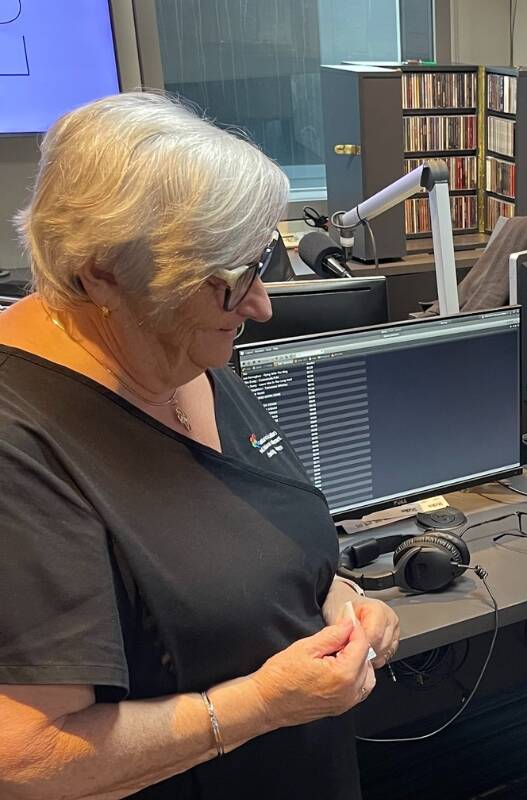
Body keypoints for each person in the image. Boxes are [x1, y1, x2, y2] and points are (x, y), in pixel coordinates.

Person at [0, 93, 401, 799]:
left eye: (257, 261)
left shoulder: (180, 346)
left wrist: (340, 603)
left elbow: (236, 555)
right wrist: (258, 706)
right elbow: (25, 757)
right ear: (101, 275)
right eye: (224, 282)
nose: (260, 304)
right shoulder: (21, 443)